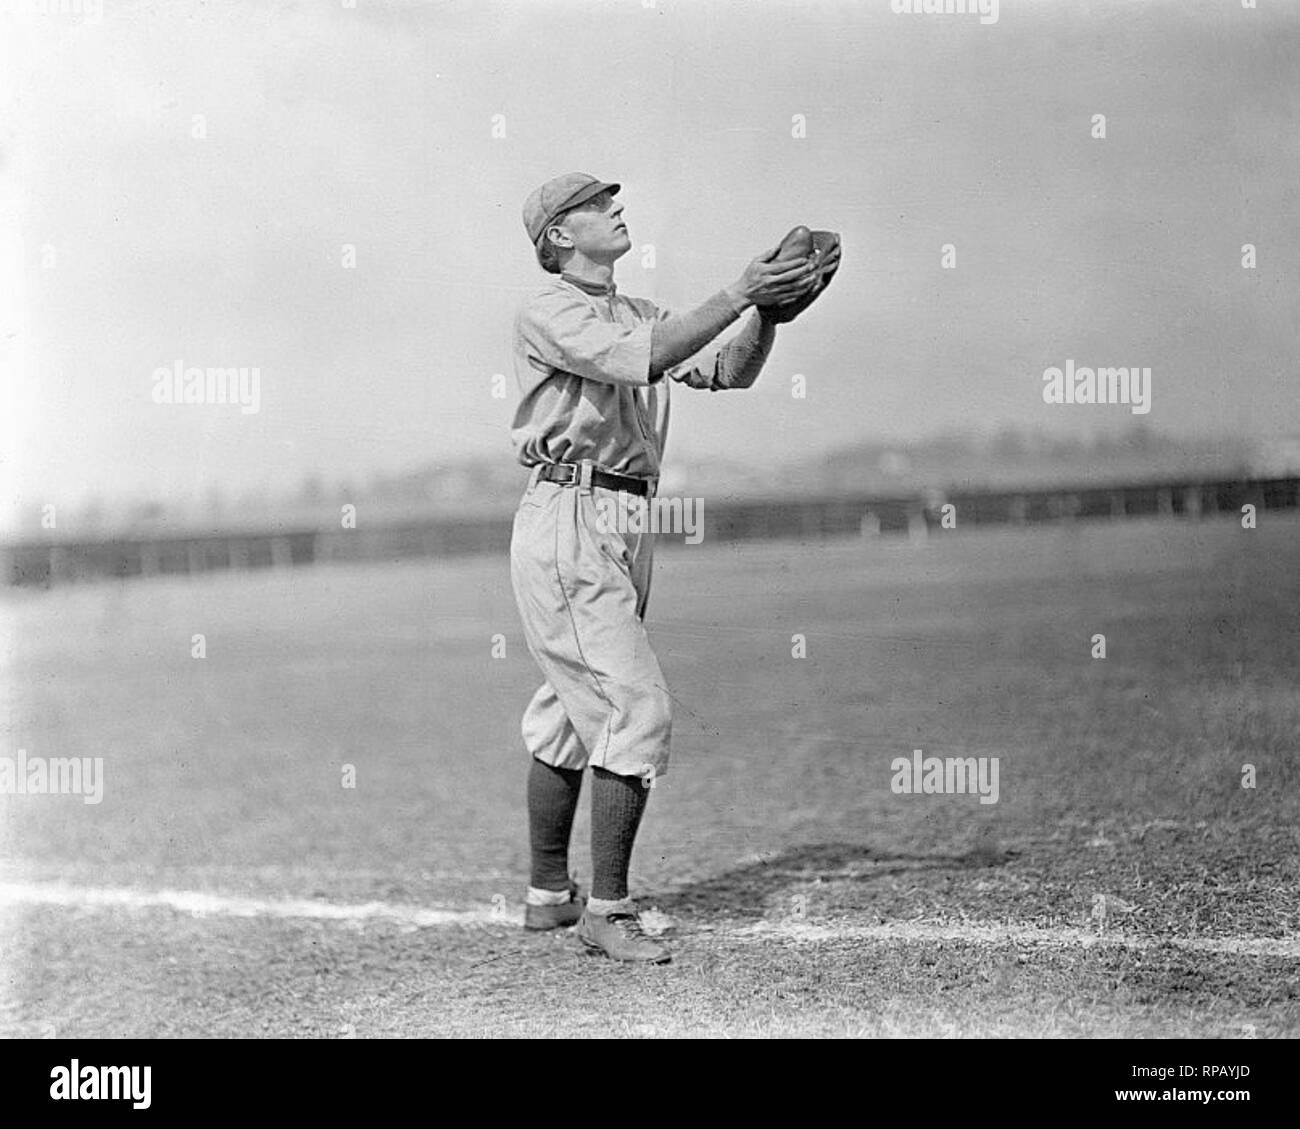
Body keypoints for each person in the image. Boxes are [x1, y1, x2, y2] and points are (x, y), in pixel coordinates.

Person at [509, 172, 831, 962]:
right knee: (634, 707)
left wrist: (767, 315)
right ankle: (606, 910)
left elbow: (723, 369)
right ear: (559, 236)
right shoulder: (549, 309)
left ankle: (551, 895)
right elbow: (649, 356)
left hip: (620, 518)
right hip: (571, 513)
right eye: (598, 206)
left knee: (569, 706)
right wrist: (740, 288)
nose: (618, 211)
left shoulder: (639, 309)